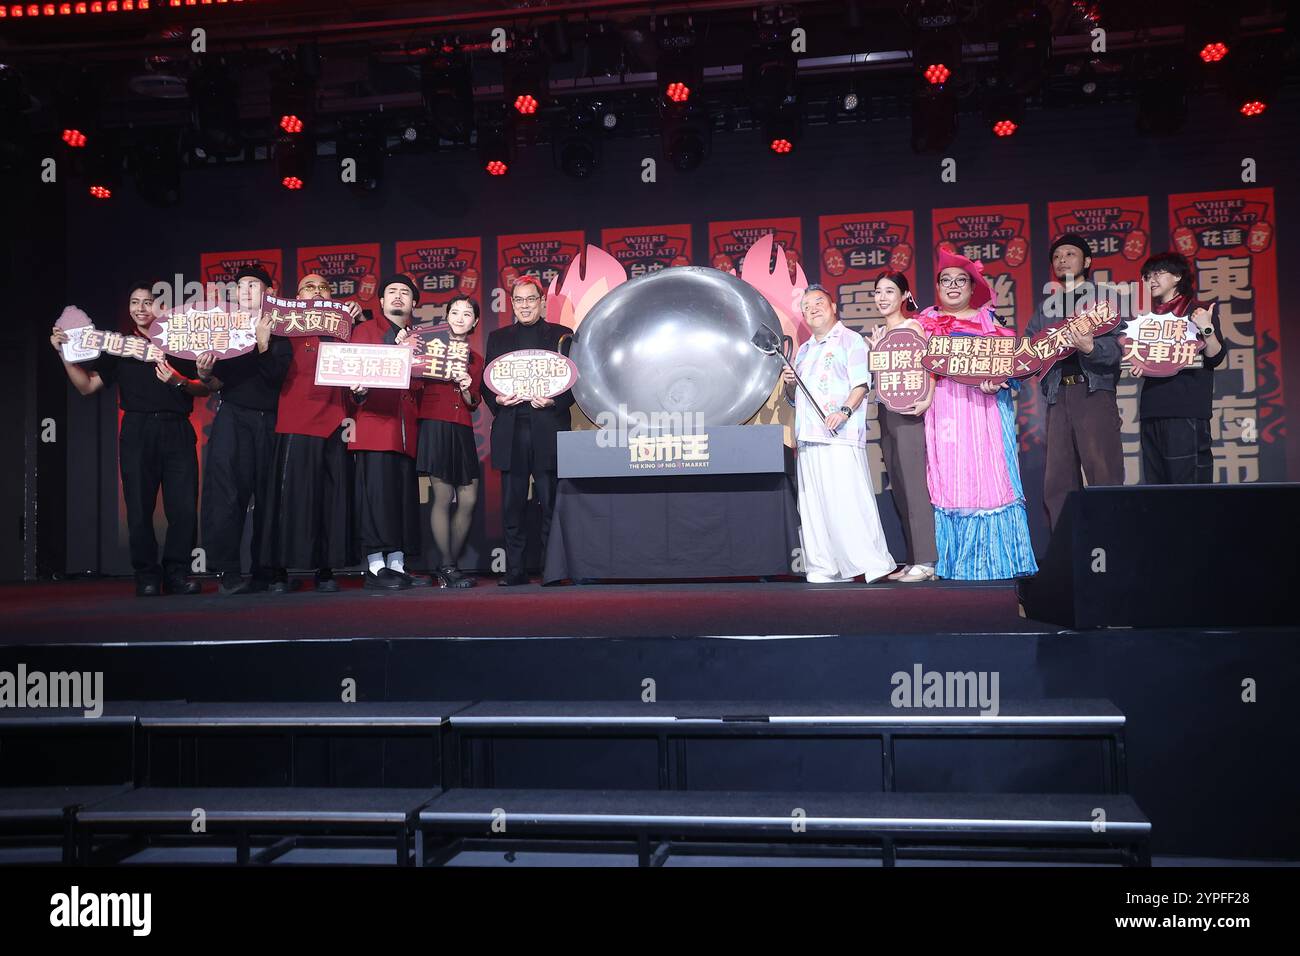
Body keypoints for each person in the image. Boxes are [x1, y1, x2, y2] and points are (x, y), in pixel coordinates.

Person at [50, 282, 207, 596]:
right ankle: (147, 575)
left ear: (161, 307)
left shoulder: (179, 343)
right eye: (135, 302)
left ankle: (176, 574)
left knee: (185, 508)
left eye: (148, 302)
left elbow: (205, 387)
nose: (140, 308)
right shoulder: (120, 347)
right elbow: (87, 386)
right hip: (137, 430)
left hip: (177, 428)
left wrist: (178, 382)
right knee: (138, 507)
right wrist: (66, 356)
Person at [918, 250, 1038, 580]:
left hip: (985, 413)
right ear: (938, 287)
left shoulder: (990, 324)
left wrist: (999, 380)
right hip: (944, 409)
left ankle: (997, 561)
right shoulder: (925, 323)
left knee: (988, 480)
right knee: (950, 481)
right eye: (946, 280)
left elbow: (1016, 370)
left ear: (973, 288)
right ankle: (953, 563)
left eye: (961, 281)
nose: (953, 286)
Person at [783, 284, 895, 584]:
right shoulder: (804, 350)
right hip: (808, 437)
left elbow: (861, 384)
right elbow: (796, 399)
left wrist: (843, 412)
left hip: (839, 434)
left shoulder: (850, 340)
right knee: (813, 506)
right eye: (806, 306)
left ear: (833, 306)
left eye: (818, 302)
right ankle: (824, 566)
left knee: (849, 501)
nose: (812, 309)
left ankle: (872, 562)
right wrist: (791, 383)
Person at [258, 273, 357, 592]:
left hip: (334, 420)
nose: (317, 292)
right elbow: (271, 377)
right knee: (289, 499)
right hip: (295, 419)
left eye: (324, 288)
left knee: (329, 498)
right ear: (296, 298)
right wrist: (262, 344)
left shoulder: (344, 328)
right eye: (309, 287)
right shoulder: (282, 330)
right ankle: (279, 571)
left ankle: (325, 569)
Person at [196, 267, 287, 596]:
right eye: (241, 285)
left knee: (270, 497)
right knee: (227, 494)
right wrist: (205, 375)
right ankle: (228, 571)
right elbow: (218, 382)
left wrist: (263, 344)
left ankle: (267, 570)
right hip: (233, 416)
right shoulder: (223, 328)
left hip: (272, 419)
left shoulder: (283, 326)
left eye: (253, 284)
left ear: (268, 289)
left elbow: (279, 378)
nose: (245, 290)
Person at [1025, 234, 1124, 529]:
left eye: (1070, 254)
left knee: (1103, 473)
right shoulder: (1045, 309)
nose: (1062, 260)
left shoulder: (1105, 302)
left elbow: (1120, 348)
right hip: (1057, 397)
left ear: (1087, 261)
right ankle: (1065, 553)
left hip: (1092, 392)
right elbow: (1030, 352)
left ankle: (1112, 544)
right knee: (1058, 480)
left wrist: (1091, 348)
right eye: (1057, 256)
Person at [481, 275, 574, 586]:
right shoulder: (498, 338)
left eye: (530, 299)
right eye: (518, 300)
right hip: (511, 428)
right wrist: (497, 399)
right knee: (512, 505)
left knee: (550, 502)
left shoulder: (562, 336)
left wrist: (554, 401)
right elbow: (486, 382)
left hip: (547, 427)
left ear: (542, 302)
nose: (524, 305)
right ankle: (516, 571)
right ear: (512, 304)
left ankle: (552, 571)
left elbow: (575, 383)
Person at [348, 275, 430, 590]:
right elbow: (353, 380)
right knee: (376, 497)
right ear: (380, 301)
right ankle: (374, 566)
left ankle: (397, 564)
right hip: (375, 426)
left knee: (401, 500)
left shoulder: (421, 338)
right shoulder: (364, 332)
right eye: (391, 292)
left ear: (413, 303)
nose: (398, 297)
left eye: (405, 293)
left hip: (407, 429)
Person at [866, 271, 937, 582]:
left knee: (914, 484)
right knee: (899, 484)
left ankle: (927, 560)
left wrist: (928, 397)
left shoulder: (913, 327)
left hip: (909, 411)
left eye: (889, 291)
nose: (883, 297)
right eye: (878, 292)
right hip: (885, 411)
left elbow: (930, 366)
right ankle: (913, 558)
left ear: (905, 296)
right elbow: (879, 377)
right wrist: (874, 352)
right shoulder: (881, 334)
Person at [1135, 252, 1225, 484]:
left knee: (1189, 492)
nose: (1151, 279)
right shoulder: (1146, 319)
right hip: (1152, 411)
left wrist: (1206, 328)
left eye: (1158, 273)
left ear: (1177, 276)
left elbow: (1215, 357)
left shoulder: (1198, 312)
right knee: (1157, 493)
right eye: (1147, 275)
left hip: (1185, 412)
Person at [414, 294, 484, 588]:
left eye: (466, 314)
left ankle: (448, 565)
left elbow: (474, 401)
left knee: (468, 498)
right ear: (446, 317)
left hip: (462, 427)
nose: (459, 317)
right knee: (442, 497)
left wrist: (467, 387)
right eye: (454, 312)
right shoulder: (429, 347)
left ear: (475, 322)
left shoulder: (476, 359)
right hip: (435, 424)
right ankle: (448, 565)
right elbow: (414, 382)